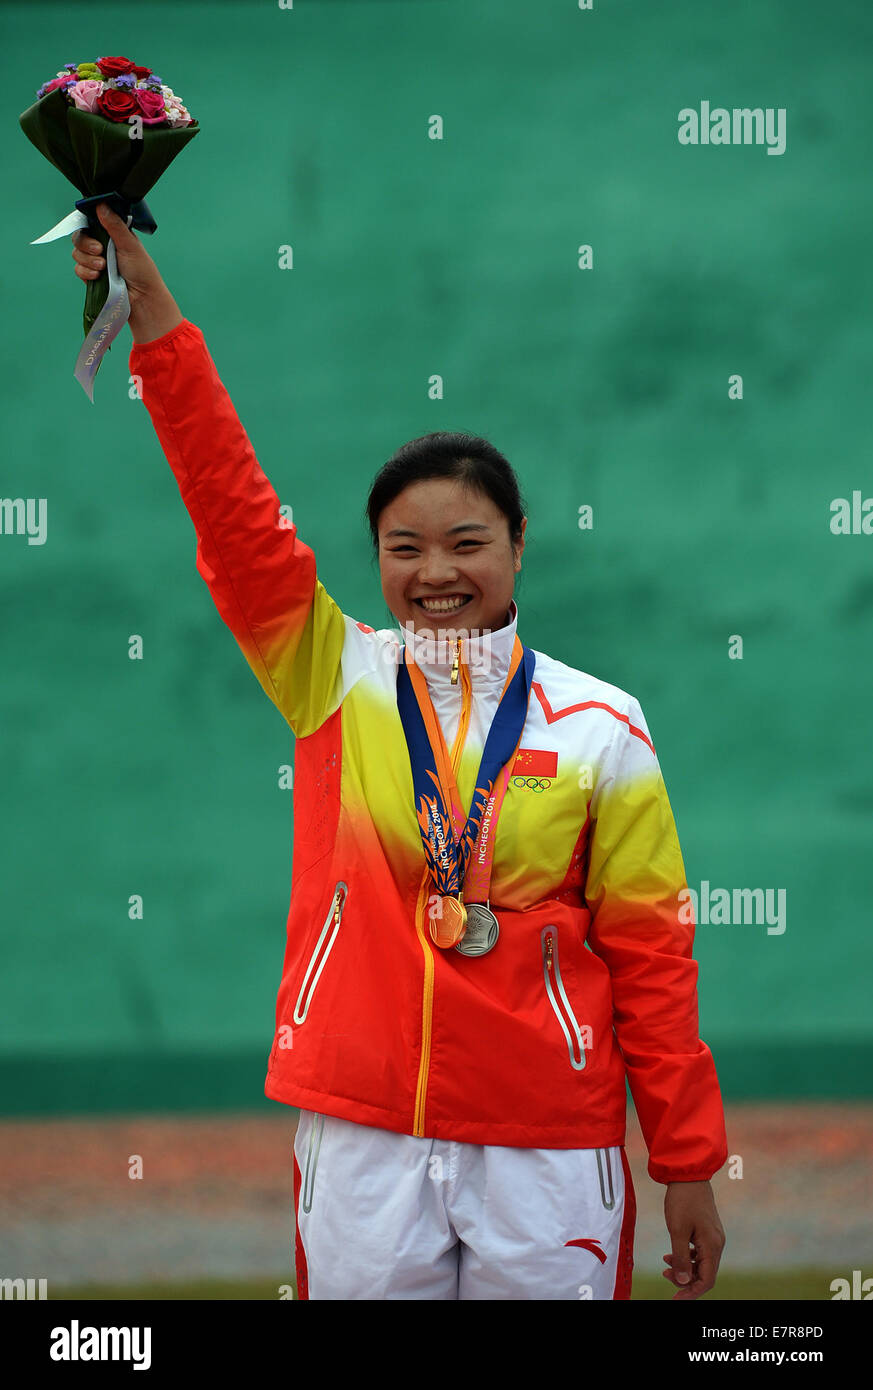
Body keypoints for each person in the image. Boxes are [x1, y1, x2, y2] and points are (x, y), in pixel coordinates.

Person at [72, 203, 728, 1302]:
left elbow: (654, 961)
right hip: (365, 1129)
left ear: (519, 547)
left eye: (467, 542)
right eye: (404, 546)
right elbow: (234, 516)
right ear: (375, 557)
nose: (436, 571)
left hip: (551, 1144)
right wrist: (154, 319)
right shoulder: (333, 675)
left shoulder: (603, 726)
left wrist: (688, 1163)